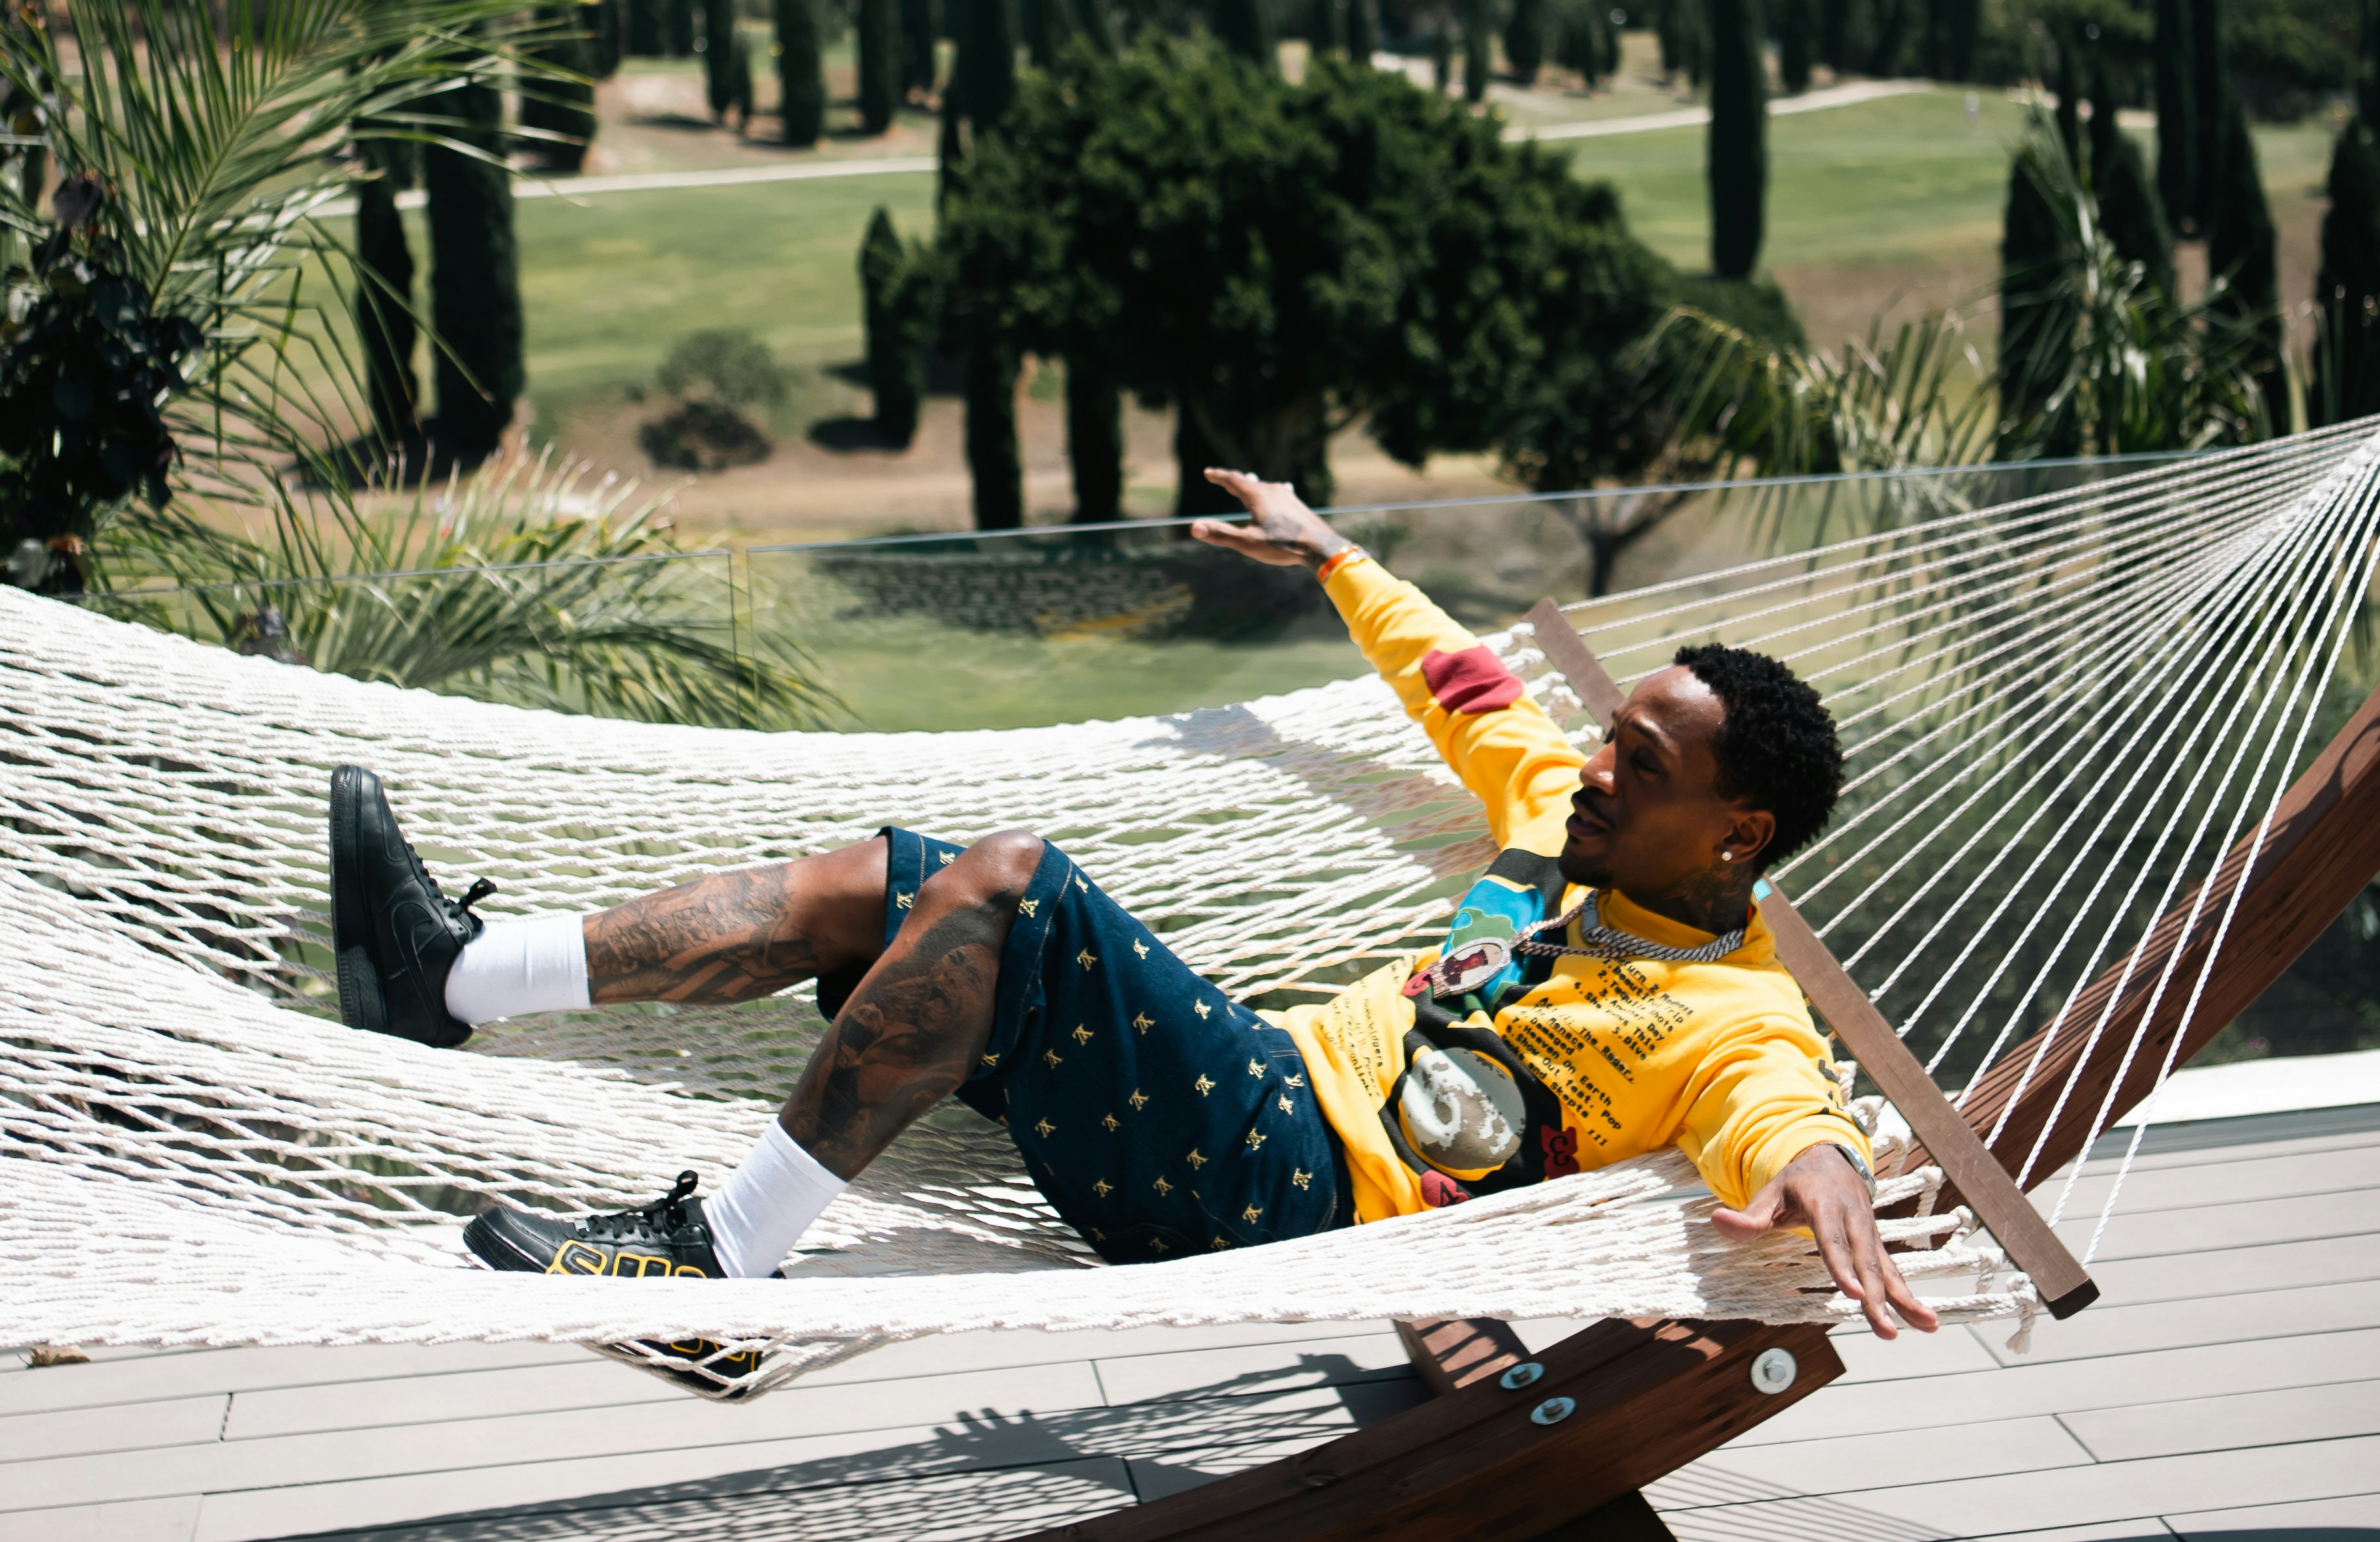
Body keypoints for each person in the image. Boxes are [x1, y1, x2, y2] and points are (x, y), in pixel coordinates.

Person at [330, 470, 1935, 1388]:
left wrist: (1823, 1170)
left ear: (1742, 834)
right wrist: (1335, 556)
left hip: (1292, 1188)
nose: (1591, 768)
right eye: (1605, 741)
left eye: (1635, 766)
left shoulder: (1733, 1013)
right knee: (904, 875)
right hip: (1241, 1098)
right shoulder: (1564, 821)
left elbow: (1781, 1110)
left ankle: (717, 1276)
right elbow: (1469, 685)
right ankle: (453, 980)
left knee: (1012, 883)